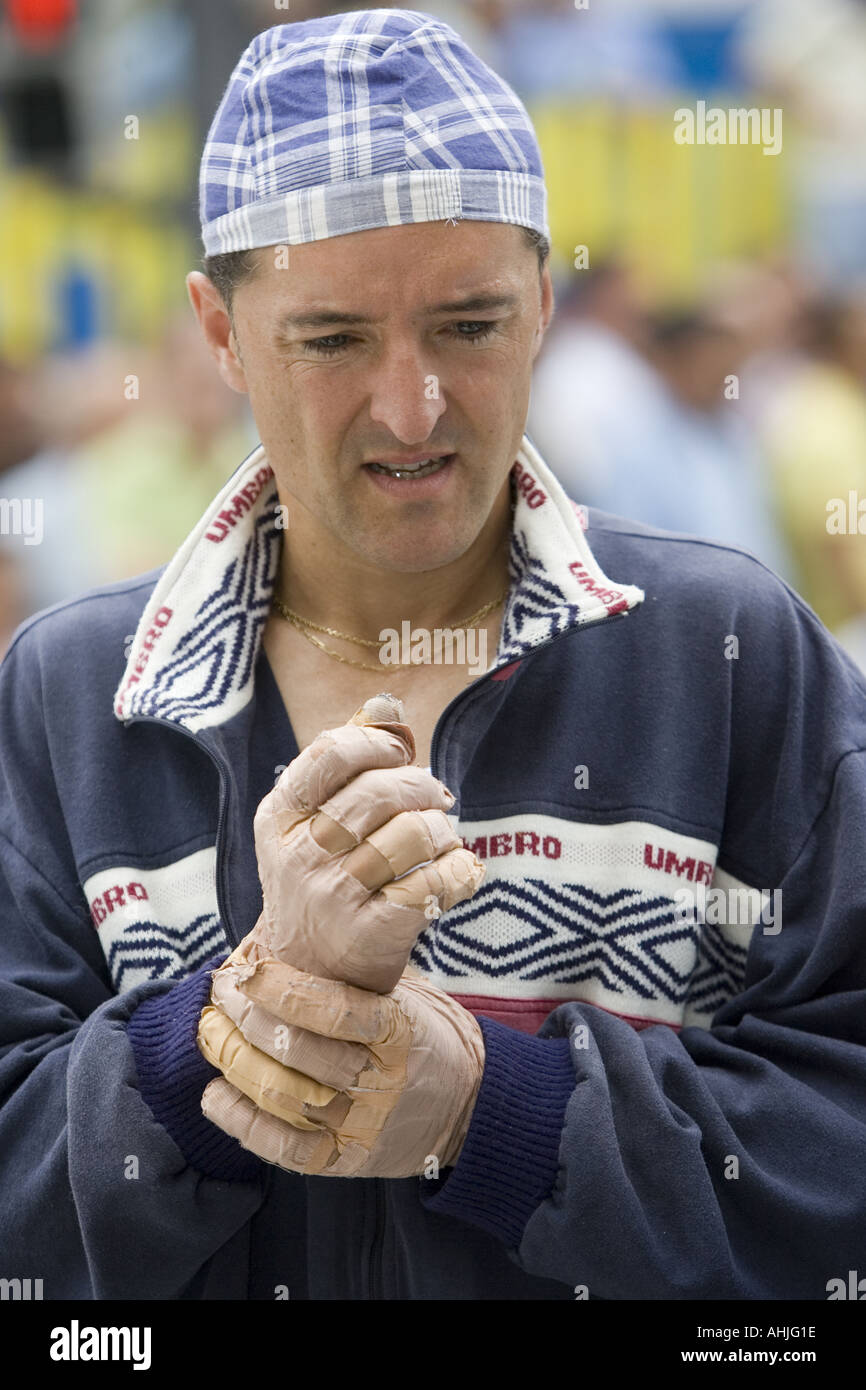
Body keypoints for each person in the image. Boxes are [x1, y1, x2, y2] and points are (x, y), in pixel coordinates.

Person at [1, 8, 865, 1302]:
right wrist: (239, 1025)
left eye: (466, 324)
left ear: (543, 306)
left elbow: (839, 1154)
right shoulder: (72, 695)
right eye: (333, 338)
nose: (410, 408)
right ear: (222, 333)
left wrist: (491, 1109)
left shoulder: (732, 659)